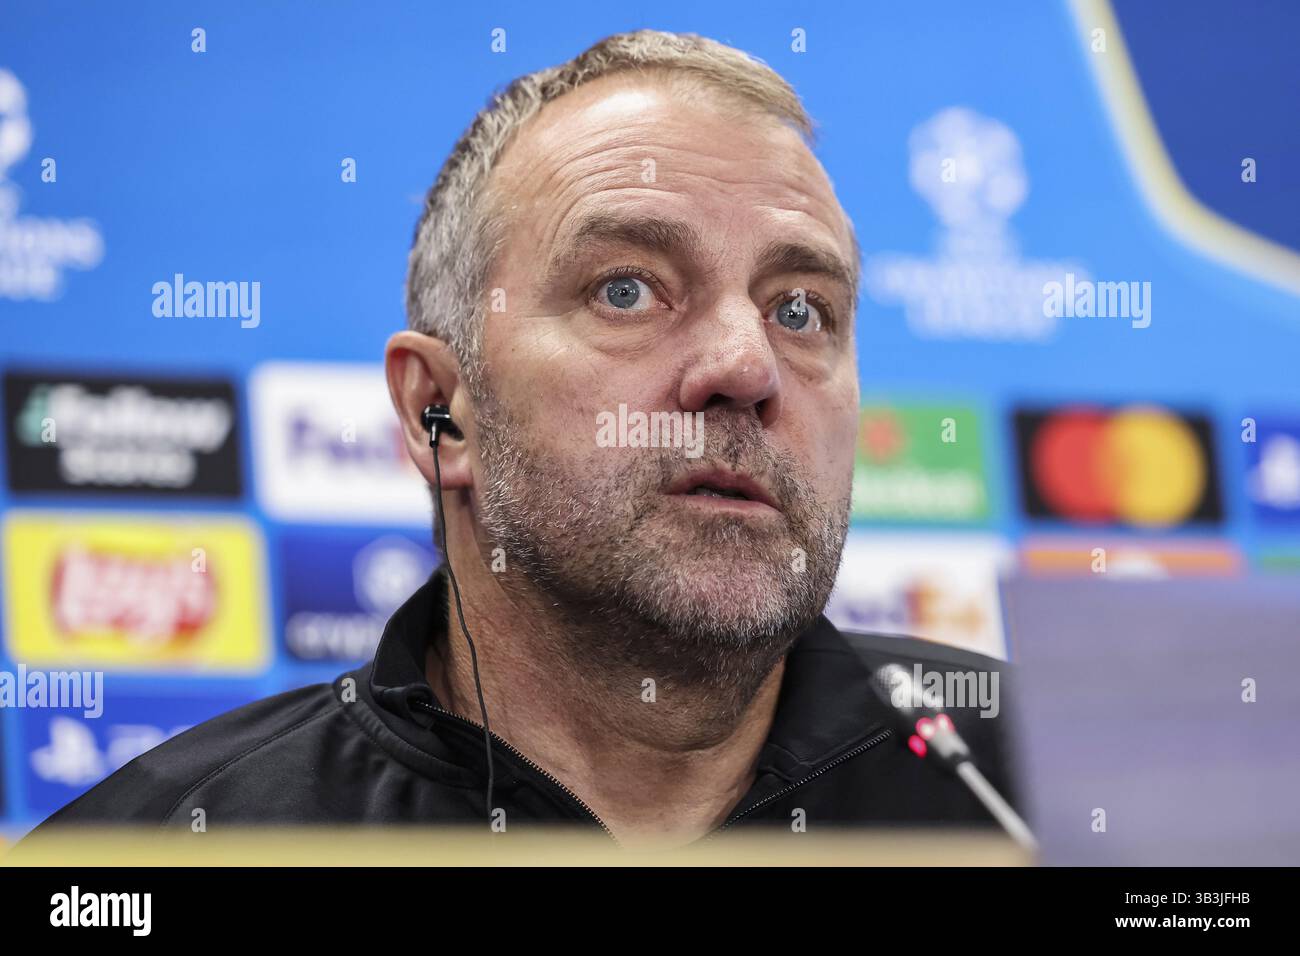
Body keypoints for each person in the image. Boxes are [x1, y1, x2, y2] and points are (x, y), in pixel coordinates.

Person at [34, 29, 1016, 850]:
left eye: (799, 309)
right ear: (440, 409)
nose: (745, 365)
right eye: (625, 289)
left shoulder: (1054, 789)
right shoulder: (160, 844)